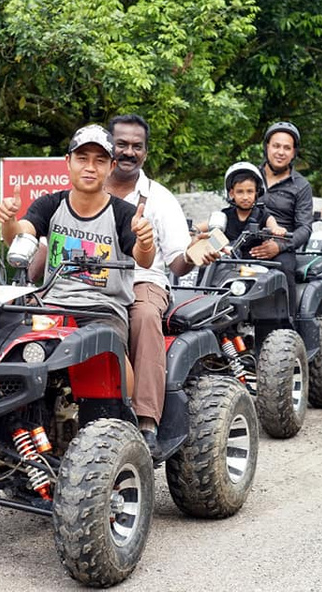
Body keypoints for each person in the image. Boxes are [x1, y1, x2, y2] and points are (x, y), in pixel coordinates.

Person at [0, 123, 155, 404]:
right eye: (82, 159)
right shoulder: (50, 205)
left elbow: (144, 258)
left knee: (109, 352)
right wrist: (9, 220)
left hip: (102, 309)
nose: (90, 167)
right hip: (52, 304)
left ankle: (122, 415)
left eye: (100, 160)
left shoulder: (123, 213)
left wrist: (145, 241)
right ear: (68, 162)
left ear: (111, 166)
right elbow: (21, 236)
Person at [103, 114, 216, 456]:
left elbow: (177, 262)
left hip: (142, 281)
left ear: (145, 153)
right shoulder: (90, 188)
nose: (128, 152)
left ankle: (146, 419)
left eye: (137, 146)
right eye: (121, 144)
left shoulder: (159, 198)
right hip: (87, 282)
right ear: (109, 148)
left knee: (145, 318)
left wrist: (194, 255)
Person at [253, 121, 314, 306]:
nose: (281, 152)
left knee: (284, 271)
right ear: (267, 147)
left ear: (293, 152)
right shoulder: (250, 176)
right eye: (276, 146)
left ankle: (289, 327)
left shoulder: (301, 186)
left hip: (282, 248)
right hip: (246, 240)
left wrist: (279, 246)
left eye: (287, 148)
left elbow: (304, 228)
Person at [195, 161, 287, 254]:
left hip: (255, 265)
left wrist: (278, 230)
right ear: (232, 193)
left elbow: (274, 226)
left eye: (250, 191)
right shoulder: (224, 216)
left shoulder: (263, 216)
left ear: (256, 193)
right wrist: (192, 230)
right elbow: (200, 227)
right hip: (227, 262)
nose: (245, 197)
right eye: (240, 192)